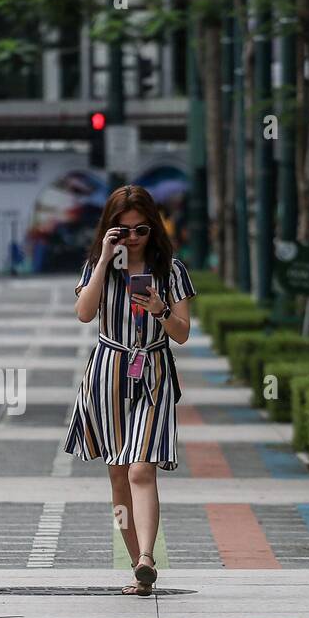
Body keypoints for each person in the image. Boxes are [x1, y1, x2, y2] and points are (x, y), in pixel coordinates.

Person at [65, 185, 196, 596]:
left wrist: (160, 308)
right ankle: (137, 568)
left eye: (141, 229)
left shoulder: (172, 271)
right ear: (110, 230)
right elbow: (85, 314)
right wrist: (105, 259)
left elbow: (183, 334)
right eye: (123, 231)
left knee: (141, 468)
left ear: (153, 227)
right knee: (118, 477)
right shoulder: (97, 266)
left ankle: (146, 558)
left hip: (153, 371)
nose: (134, 238)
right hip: (107, 373)